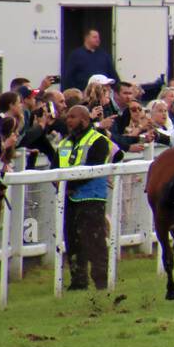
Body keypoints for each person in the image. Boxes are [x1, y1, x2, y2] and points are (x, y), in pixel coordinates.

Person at [58, 105, 121, 291]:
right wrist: (62, 187)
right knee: (72, 240)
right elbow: (54, 169)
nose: (68, 120)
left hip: (92, 197)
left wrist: (68, 186)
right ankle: (78, 281)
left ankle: (101, 280)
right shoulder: (63, 144)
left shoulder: (99, 141)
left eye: (72, 116)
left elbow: (93, 168)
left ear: (84, 120)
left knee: (94, 240)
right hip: (69, 199)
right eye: (67, 117)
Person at [63, 28, 119, 92]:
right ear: (86, 38)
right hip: (83, 93)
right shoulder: (76, 55)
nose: (98, 40)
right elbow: (69, 76)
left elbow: (112, 74)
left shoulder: (104, 55)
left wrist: (117, 89)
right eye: (95, 37)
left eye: (98, 37)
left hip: (103, 93)